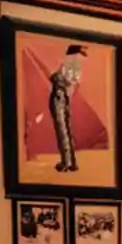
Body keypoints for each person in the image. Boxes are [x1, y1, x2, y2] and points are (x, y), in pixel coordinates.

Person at [50, 44, 85, 172]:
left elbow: (57, 78)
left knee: (64, 130)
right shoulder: (67, 65)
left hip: (62, 97)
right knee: (64, 130)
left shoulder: (70, 67)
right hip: (62, 97)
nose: (81, 59)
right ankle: (69, 161)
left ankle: (68, 161)